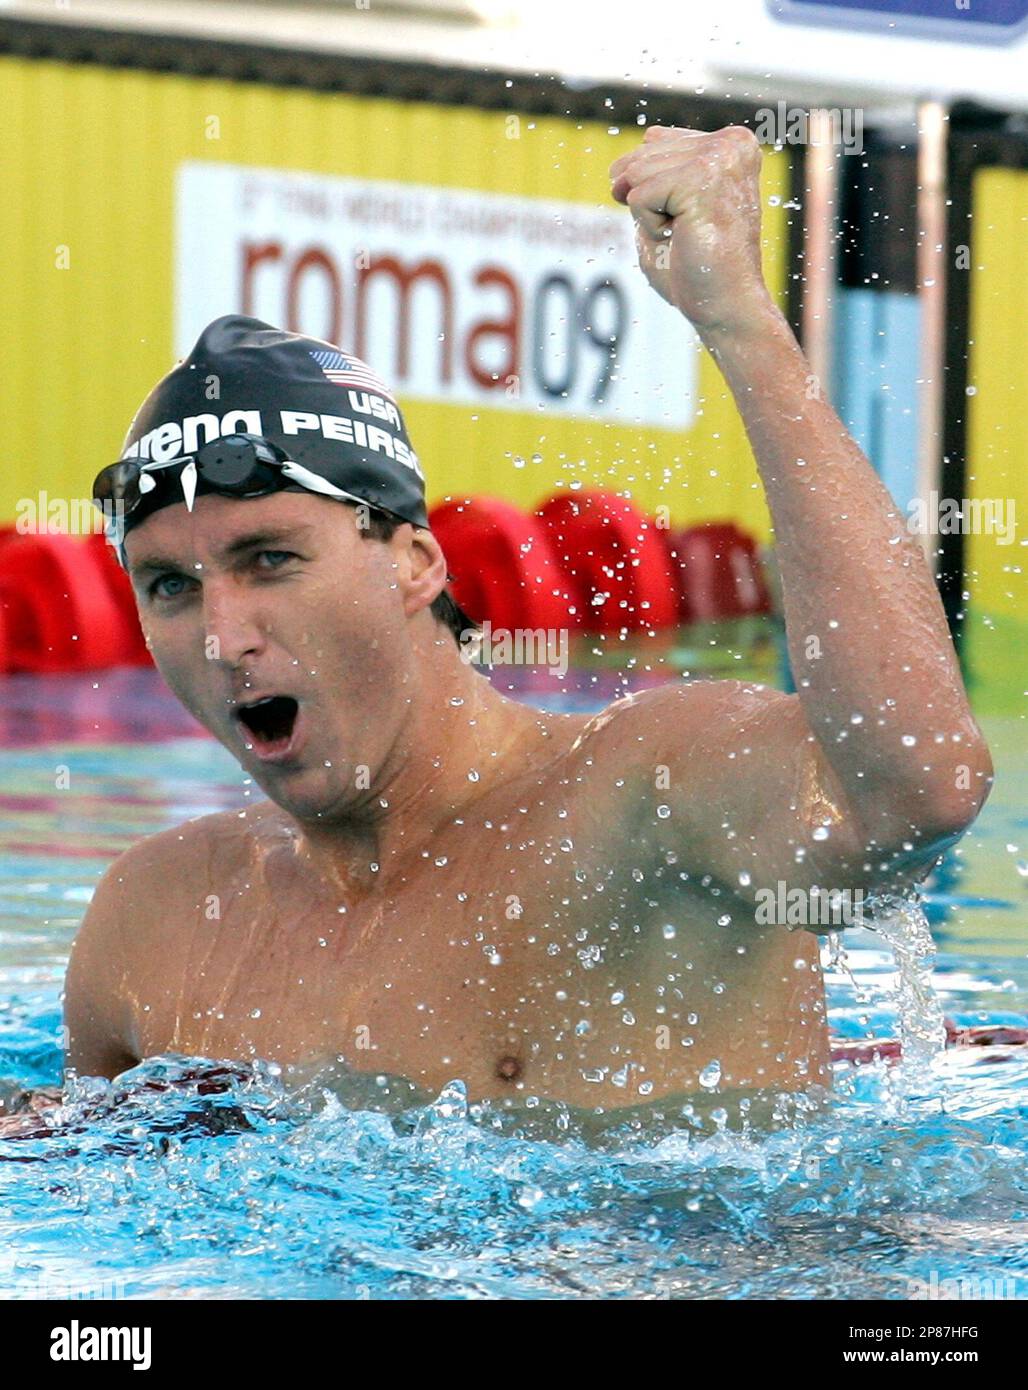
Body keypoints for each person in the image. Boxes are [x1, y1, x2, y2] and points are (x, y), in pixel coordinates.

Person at [42, 126, 994, 1117]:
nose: (222, 634)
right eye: (169, 586)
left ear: (413, 562)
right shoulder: (153, 926)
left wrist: (741, 324)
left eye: (270, 560)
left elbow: (917, 786)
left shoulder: (642, 800)